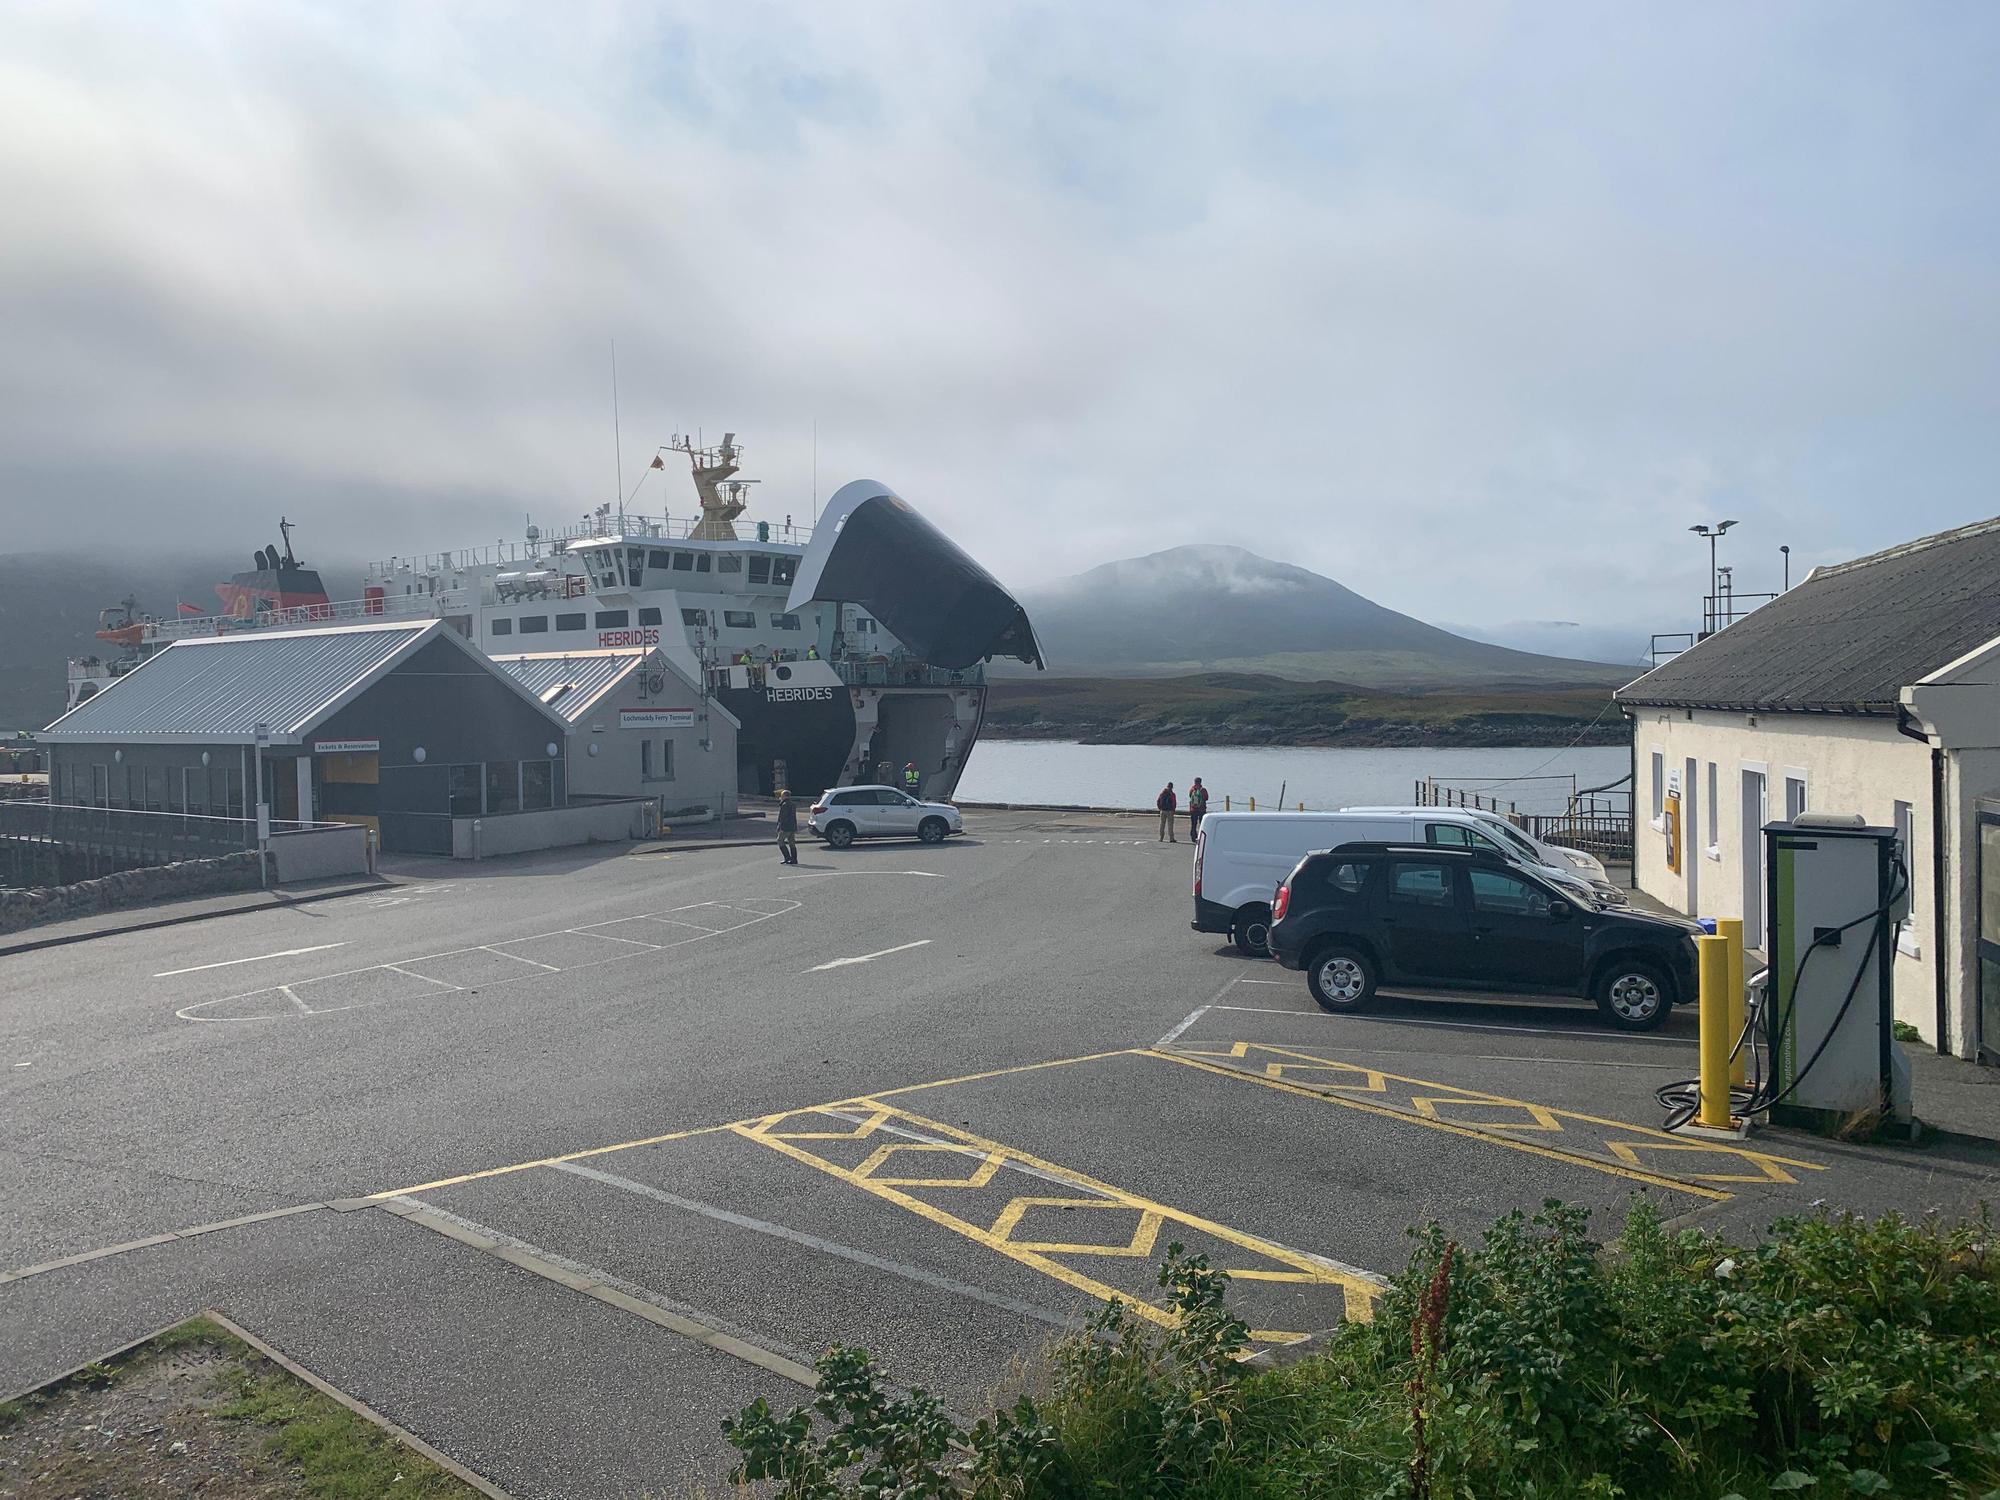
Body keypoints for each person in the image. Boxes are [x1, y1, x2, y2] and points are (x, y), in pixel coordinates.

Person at [775, 788, 799, 864]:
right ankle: (794, 859)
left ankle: (787, 857)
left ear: (784, 796)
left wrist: (780, 827)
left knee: (780, 840)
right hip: (792, 826)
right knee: (792, 843)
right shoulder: (792, 804)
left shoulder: (784, 805)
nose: (780, 797)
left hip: (786, 827)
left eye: (781, 796)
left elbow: (783, 818)